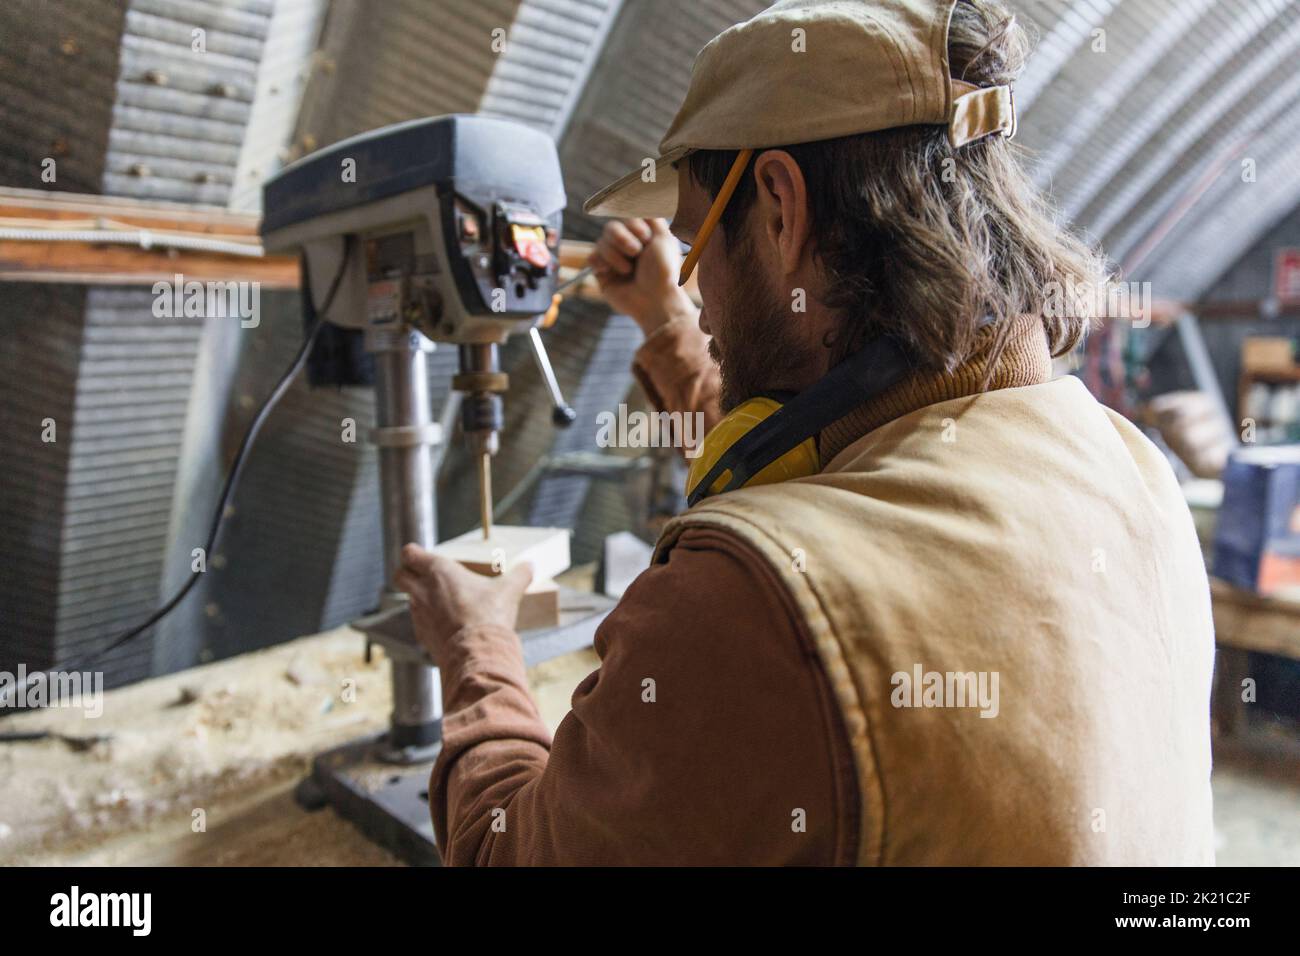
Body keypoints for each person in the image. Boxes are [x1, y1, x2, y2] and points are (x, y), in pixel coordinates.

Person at [396, 0, 1216, 865]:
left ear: (780, 207)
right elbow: (841, 471)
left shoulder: (746, 608)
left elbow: (504, 854)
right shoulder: (1128, 468)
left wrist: (476, 644)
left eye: (697, 242)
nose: (700, 291)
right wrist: (668, 326)